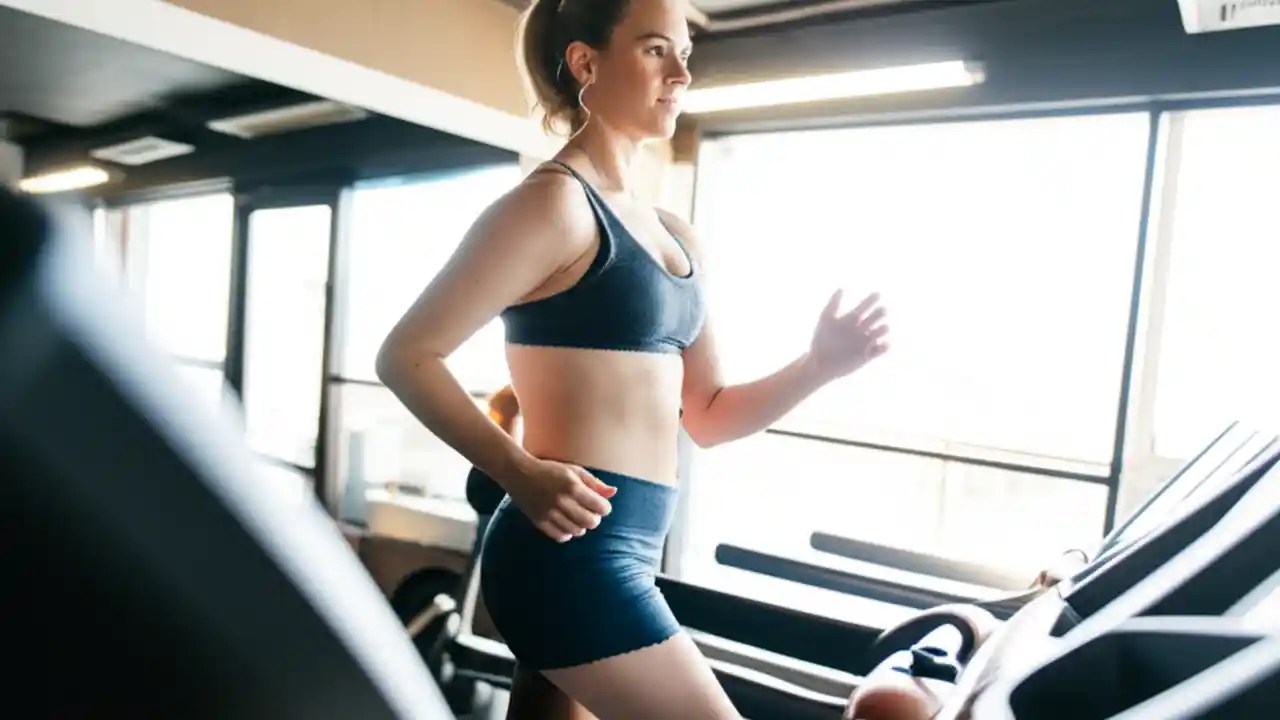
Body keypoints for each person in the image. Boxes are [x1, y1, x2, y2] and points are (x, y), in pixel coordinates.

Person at [375, 0, 890, 716]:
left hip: (628, 552)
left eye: (684, 53)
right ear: (587, 63)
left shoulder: (675, 235)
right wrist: (518, 472)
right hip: (569, 557)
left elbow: (708, 416)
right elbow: (407, 355)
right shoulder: (553, 206)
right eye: (656, 50)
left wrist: (819, 365)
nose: (681, 71)